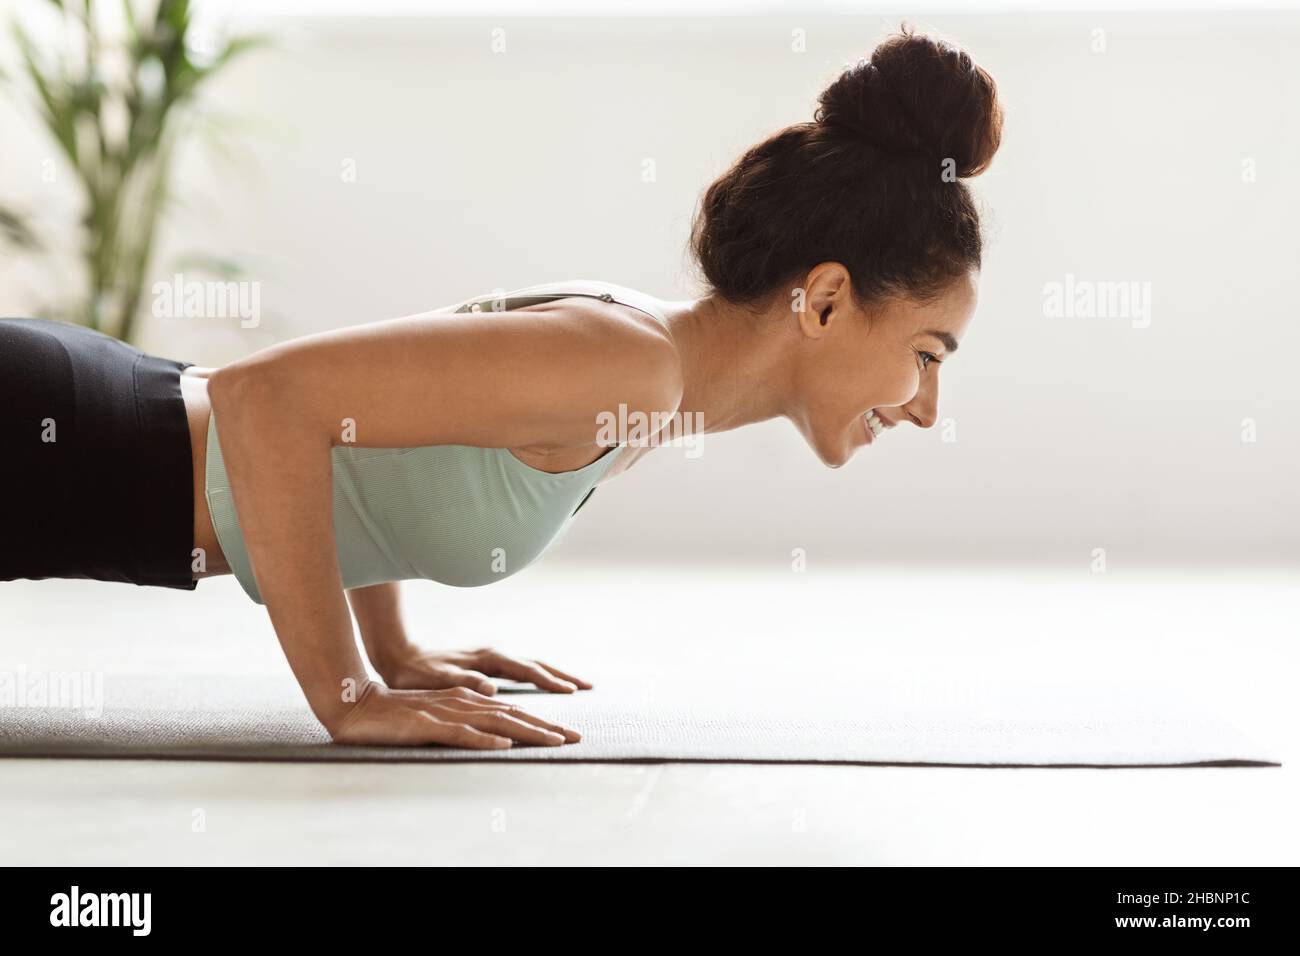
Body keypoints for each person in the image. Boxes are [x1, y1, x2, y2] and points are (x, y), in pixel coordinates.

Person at [0, 25, 1002, 749]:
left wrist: (392, 650)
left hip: (81, 449)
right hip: (51, 442)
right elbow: (271, 401)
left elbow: (366, 427)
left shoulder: (649, 374)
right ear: (825, 299)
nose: (926, 405)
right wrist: (345, 691)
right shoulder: (632, 368)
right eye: (927, 352)